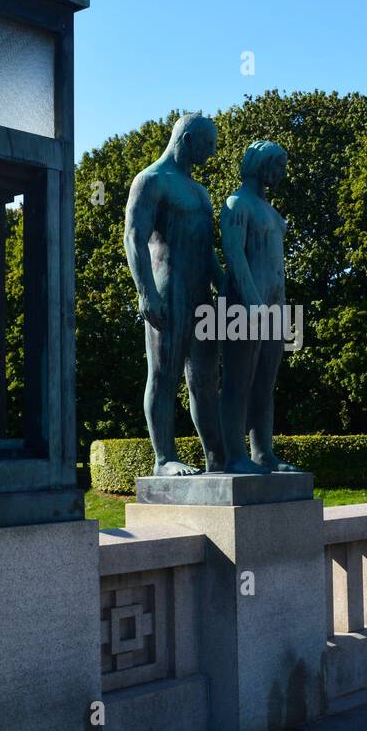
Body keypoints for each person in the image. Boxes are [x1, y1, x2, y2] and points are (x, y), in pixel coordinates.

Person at [123, 114, 225, 476]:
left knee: (205, 380)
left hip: (201, 296)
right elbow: (133, 237)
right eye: (207, 146)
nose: (211, 154)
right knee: (164, 375)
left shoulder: (199, 191)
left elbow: (206, 246)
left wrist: (222, 282)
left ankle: (218, 459)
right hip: (167, 290)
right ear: (186, 141)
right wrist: (145, 292)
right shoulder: (150, 180)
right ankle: (164, 458)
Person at [219, 140, 300, 474]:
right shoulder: (237, 203)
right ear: (262, 165)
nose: (282, 173)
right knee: (239, 381)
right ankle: (234, 456)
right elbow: (234, 255)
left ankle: (263, 453)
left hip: (275, 308)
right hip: (244, 305)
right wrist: (253, 302)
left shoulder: (269, 209)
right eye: (279, 166)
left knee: (265, 384)